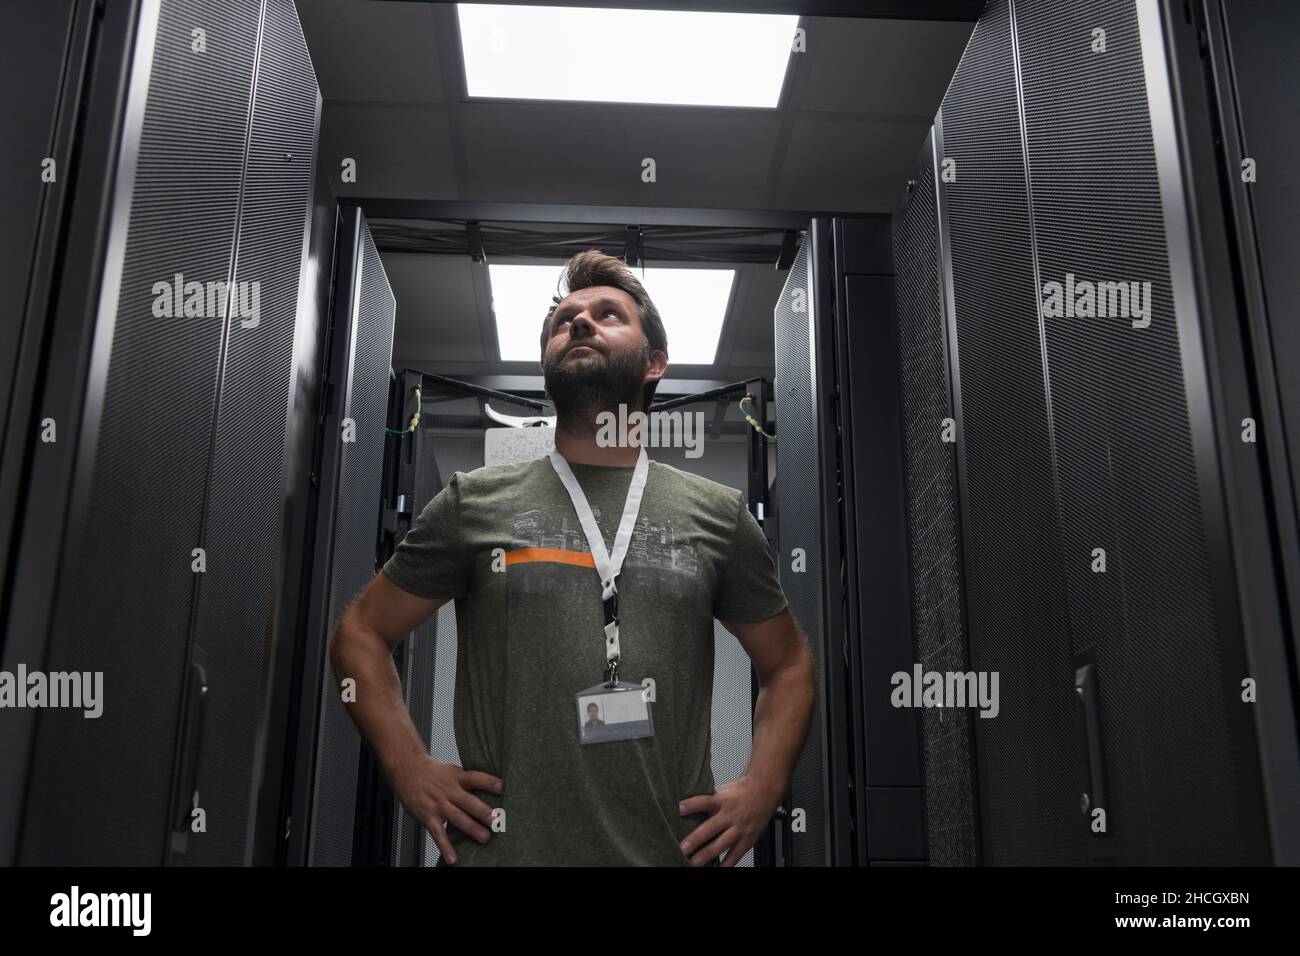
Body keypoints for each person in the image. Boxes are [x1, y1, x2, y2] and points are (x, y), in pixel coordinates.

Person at [330, 249, 815, 866]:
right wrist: (411, 769)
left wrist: (762, 787)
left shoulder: (718, 514)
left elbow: (789, 666)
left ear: (654, 363)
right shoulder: (473, 502)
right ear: (547, 368)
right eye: (566, 319)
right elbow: (360, 635)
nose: (580, 323)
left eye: (608, 314)